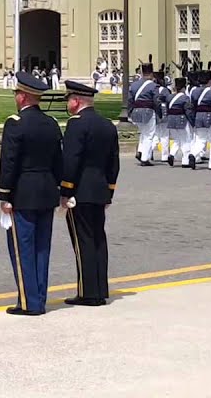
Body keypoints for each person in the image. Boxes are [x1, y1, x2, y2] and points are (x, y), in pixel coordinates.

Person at [0, 71, 63, 316]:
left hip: (23, 193)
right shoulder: (51, 124)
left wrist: (4, 194)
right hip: (47, 192)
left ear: (23, 97)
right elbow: (59, 161)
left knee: (23, 248)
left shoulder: (15, 123)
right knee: (41, 248)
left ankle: (29, 303)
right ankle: (39, 298)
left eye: (17, 93)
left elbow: (9, 162)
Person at [59, 80, 119, 307]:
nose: (68, 104)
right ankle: (100, 288)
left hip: (80, 192)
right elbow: (113, 163)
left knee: (82, 241)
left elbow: (71, 160)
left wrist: (66, 190)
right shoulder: (107, 125)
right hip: (100, 190)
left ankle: (88, 292)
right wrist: (110, 191)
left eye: (68, 100)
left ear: (76, 101)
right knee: (97, 240)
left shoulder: (76, 124)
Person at [127, 63, 160, 166]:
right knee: (149, 135)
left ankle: (140, 151)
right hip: (148, 112)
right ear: (151, 73)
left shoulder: (134, 85)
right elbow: (156, 101)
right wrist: (159, 113)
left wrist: (130, 112)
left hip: (136, 111)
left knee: (143, 133)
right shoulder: (153, 86)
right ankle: (145, 158)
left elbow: (130, 100)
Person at [189, 70, 211, 170]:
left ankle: (193, 154)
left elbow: (192, 106)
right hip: (210, 116)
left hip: (198, 116)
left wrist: (193, 118)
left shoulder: (194, 91)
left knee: (200, 139)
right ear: (210, 81)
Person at [162, 77, 194, 168]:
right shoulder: (185, 98)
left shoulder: (169, 97)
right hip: (182, 120)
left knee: (177, 139)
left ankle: (171, 154)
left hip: (171, 120)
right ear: (184, 88)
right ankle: (185, 161)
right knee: (186, 140)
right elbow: (188, 111)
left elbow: (168, 109)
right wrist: (192, 122)